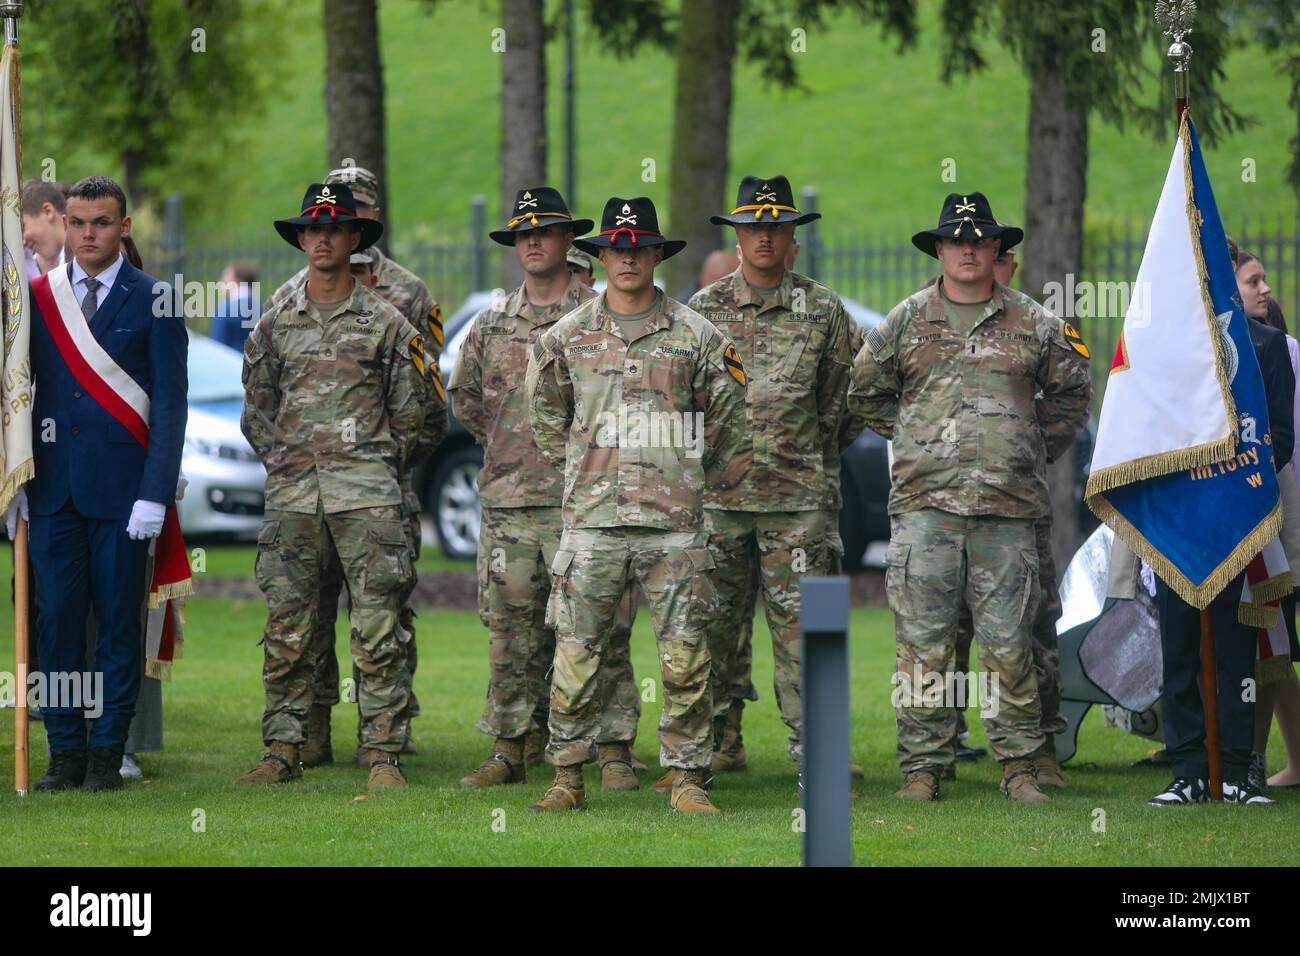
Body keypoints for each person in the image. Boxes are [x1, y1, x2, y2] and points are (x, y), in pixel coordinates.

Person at [848, 192, 1092, 803]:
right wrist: (915, 438)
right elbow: (864, 392)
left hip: (1007, 513)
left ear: (994, 250)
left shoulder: (1034, 322)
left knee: (1009, 644)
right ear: (939, 249)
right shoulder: (905, 321)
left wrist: (1026, 449)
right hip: (925, 511)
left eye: (978, 241)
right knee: (922, 647)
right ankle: (925, 768)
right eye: (956, 241)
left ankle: (1019, 766)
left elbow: (1070, 397)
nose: (967, 250)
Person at [524, 195, 747, 814]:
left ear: (655, 255)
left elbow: (727, 423)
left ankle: (687, 779)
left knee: (685, 655)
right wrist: (587, 471)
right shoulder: (566, 337)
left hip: (673, 526)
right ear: (600, 257)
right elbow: (546, 421)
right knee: (576, 653)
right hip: (593, 524)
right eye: (615, 248)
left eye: (638, 247)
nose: (627, 258)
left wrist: (682, 476)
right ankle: (567, 776)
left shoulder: (698, 335)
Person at [236, 181, 442, 790]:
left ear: (355, 239)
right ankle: (285, 747)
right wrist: (290, 461)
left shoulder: (388, 323)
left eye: (335, 229)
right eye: (313, 229)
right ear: (301, 239)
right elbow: (257, 407)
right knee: (290, 626)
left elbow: (418, 416)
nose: (323, 238)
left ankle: (383, 753)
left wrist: (372, 464)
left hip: (369, 499)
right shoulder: (276, 321)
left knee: (378, 627)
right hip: (295, 500)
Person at [448, 186, 642, 790]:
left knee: (598, 630)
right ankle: (511, 747)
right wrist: (514, 452)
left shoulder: (601, 315)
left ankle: (612, 750)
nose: (533, 242)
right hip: (509, 503)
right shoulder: (490, 324)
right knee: (511, 632)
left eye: (546, 232)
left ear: (567, 242)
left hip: (585, 503)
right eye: (523, 234)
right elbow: (467, 400)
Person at [9, 175, 188, 792]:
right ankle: (64, 754)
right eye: (79, 223)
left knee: (116, 626)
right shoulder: (36, 297)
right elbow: (16, 394)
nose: (88, 234)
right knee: (55, 624)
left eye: (102, 223)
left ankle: (108, 753)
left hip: (124, 496)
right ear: (65, 224)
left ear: (124, 227)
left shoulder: (156, 300)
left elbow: (170, 407)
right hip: (53, 493)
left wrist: (155, 493)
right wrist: (15, 480)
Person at [680, 175, 855, 791]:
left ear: (791, 239)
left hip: (798, 506)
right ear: (737, 235)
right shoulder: (702, 314)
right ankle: (712, 749)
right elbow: (686, 404)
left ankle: (819, 755)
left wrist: (803, 456)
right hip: (717, 504)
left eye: (775, 227)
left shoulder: (825, 310)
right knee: (711, 631)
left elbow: (842, 403)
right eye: (753, 226)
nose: (764, 237)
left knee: (807, 635)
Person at [1144, 239, 1293, 807]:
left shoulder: (1268, 344)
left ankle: (1237, 770)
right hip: (1177, 523)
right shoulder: (1162, 348)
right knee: (1177, 647)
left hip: (1240, 519)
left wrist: (1228, 489)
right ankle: (1186, 771)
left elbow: (1279, 437)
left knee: (1239, 651)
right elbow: (1147, 435)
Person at [1228, 241, 1300, 792]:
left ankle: (1250, 756)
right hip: (1230, 515)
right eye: (1254, 281)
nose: (1266, 288)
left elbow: (1283, 437)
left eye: (1263, 280)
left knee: (1271, 639)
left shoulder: (1282, 350)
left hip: (1277, 514)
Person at [21, 179, 68, 278]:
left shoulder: (90, 262)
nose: (23, 241)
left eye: (23, 228)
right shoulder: (28, 268)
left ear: (48, 211)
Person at [210, 262, 260, 352]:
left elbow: (218, 348)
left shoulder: (224, 310)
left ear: (236, 281)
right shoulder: (262, 309)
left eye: (225, 280)